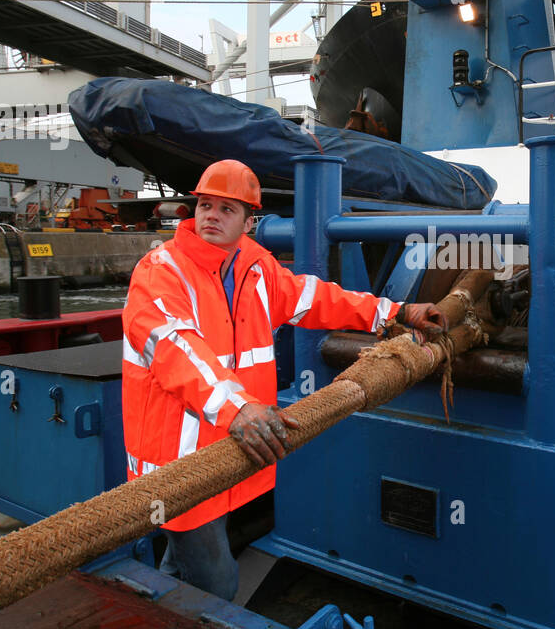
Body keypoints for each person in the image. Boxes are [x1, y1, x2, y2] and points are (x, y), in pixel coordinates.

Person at [121, 159, 446, 600]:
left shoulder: (256, 269)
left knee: (182, 563)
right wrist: (239, 409)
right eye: (206, 206)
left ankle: (164, 622)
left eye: (227, 209)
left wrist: (395, 313)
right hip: (179, 462)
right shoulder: (161, 272)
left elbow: (318, 299)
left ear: (249, 222)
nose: (212, 216)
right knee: (217, 582)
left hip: (224, 445)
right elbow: (175, 348)